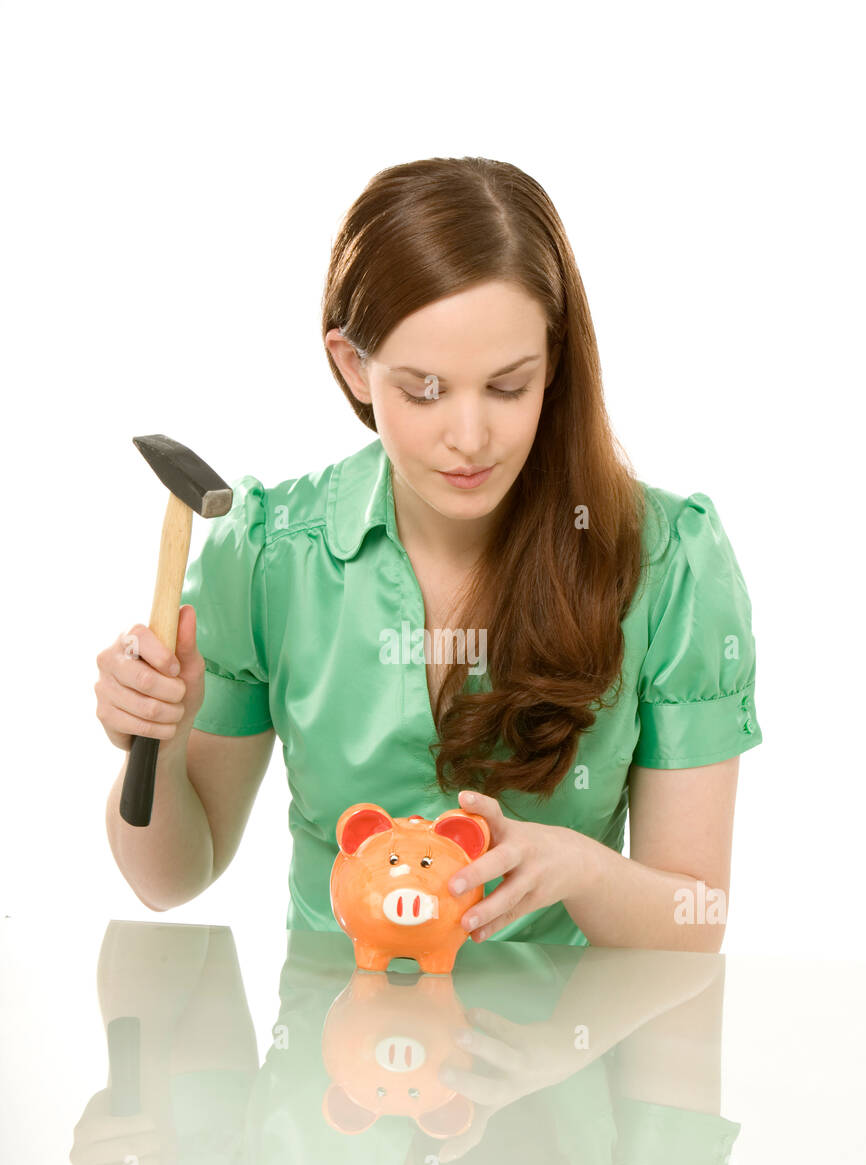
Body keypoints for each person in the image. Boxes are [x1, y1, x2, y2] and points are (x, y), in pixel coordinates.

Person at [95, 156, 762, 951]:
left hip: (560, 1065)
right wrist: (156, 751)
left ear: (554, 362)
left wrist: (579, 869)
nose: (471, 438)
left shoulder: (670, 564)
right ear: (353, 366)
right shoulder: (269, 556)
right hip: (323, 1060)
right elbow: (169, 879)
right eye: (424, 390)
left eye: (509, 386)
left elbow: (696, 922)